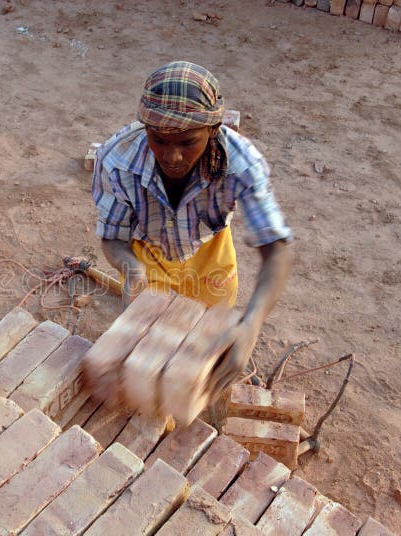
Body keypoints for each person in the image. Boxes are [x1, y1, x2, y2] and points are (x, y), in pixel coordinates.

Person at [92, 61, 292, 387]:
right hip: (149, 256)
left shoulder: (241, 163)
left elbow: (277, 250)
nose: (172, 157)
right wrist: (129, 267)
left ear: (213, 130)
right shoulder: (118, 161)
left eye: (188, 143)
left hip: (210, 257)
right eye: (159, 140)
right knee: (149, 359)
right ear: (145, 129)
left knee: (202, 357)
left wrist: (252, 323)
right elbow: (113, 237)